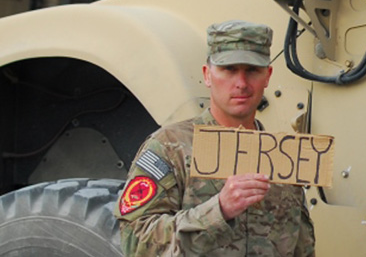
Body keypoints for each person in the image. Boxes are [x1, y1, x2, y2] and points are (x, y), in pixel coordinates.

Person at [115, 20, 315, 256]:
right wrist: (218, 210)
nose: (241, 83)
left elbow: (302, 246)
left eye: (252, 70)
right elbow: (136, 242)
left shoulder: (281, 157)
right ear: (207, 75)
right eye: (229, 70)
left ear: (268, 76)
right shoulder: (170, 147)